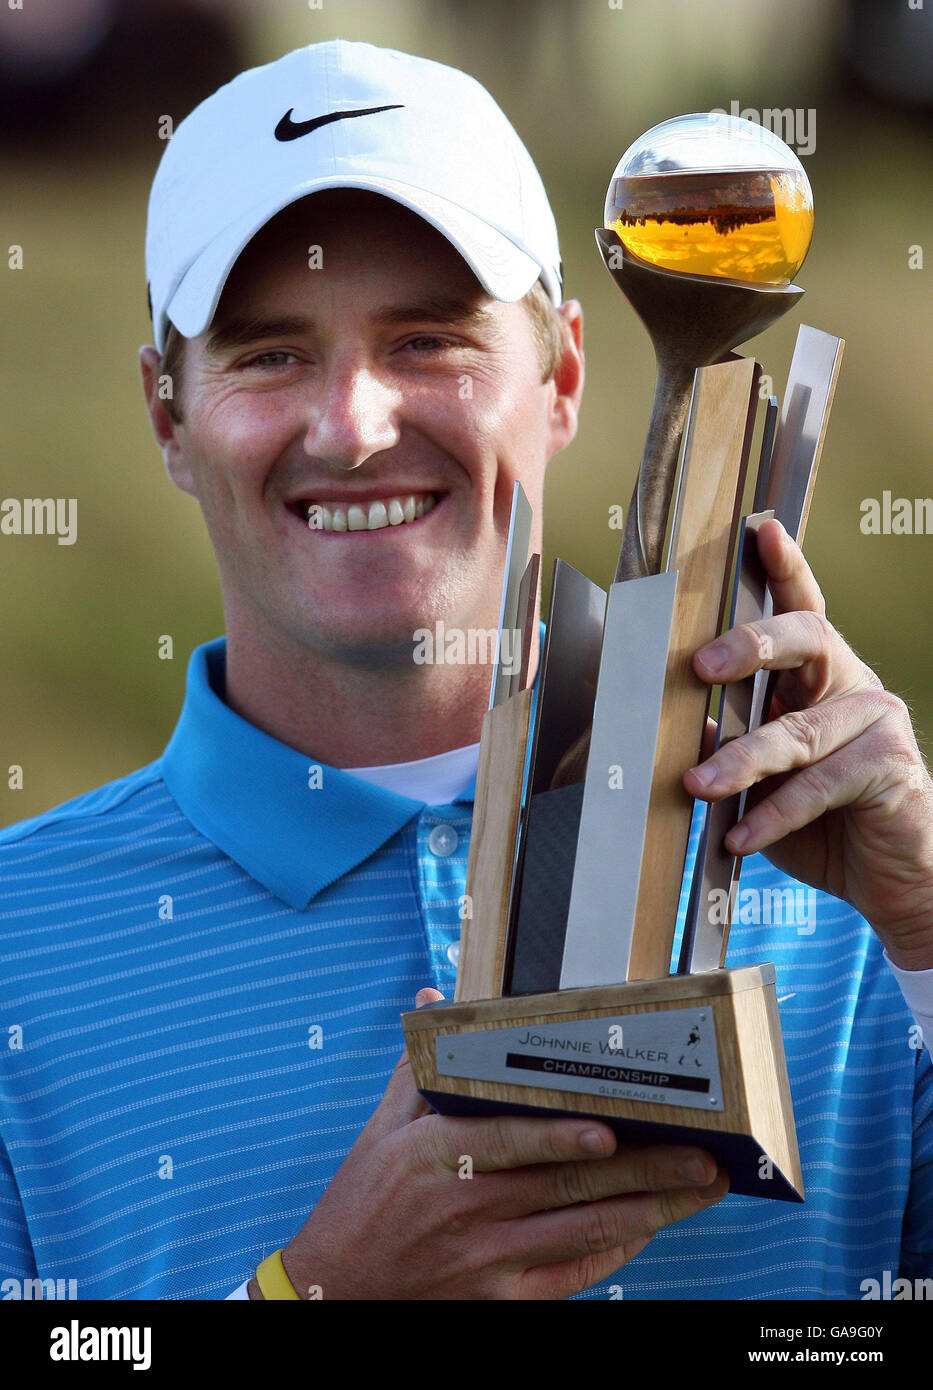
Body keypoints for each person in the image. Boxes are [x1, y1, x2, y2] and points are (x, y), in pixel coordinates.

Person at [1, 38, 931, 1304]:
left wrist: (926, 927)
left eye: (430, 339)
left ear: (561, 375)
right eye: (271, 354)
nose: (355, 426)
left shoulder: (854, 886)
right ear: (169, 414)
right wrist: (320, 1294)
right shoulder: (20, 952)